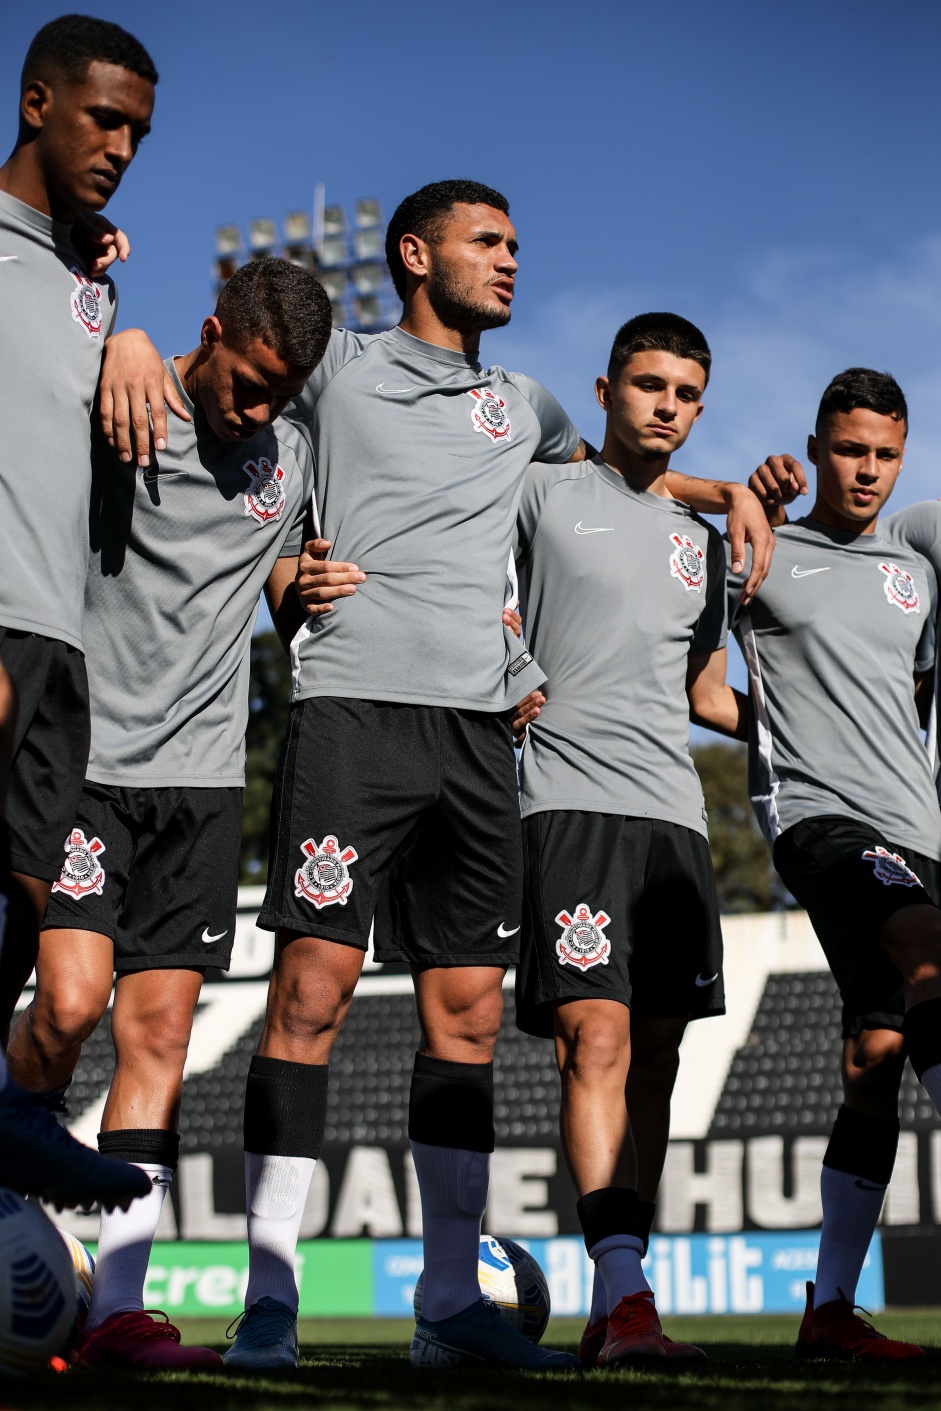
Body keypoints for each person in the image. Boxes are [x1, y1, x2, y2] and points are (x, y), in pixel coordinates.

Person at [100, 180, 775, 1371]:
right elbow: (227, 381)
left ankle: (448, 1305)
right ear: (414, 254)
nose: (510, 259)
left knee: (464, 1014)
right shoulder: (338, 364)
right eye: (486, 242)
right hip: (352, 710)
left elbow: (618, 472)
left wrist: (725, 497)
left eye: (516, 242)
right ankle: (269, 1298)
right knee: (308, 992)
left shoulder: (526, 404)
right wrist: (132, 332)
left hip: (479, 738)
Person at [6, 257, 331, 1368]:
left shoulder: (286, 460)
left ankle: (117, 1313)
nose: (256, 411)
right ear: (207, 334)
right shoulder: (125, 399)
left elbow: (280, 581)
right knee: (68, 1006)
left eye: (279, 395)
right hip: (89, 761)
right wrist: (121, 339)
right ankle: (11, 1128)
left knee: (157, 1038)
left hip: (201, 783)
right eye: (245, 383)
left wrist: (310, 590)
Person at [509, 314, 746, 1366]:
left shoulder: (704, 546)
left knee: (653, 1054)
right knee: (593, 1040)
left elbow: (704, 691)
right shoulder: (540, 492)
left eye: (685, 393)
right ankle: (624, 1292)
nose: (666, 406)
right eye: (647, 384)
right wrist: (506, 667)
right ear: (604, 390)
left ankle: (621, 1294)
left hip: (673, 820)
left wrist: (822, 716)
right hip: (566, 803)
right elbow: (475, 588)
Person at [729, 368, 938, 1360]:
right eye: (849, 450)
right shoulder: (760, 549)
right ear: (815, 448)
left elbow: (914, 697)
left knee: (875, 1055)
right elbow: (690, 675)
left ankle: (826, 1313)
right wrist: (780, 733)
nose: (865, 471)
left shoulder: (913, 571)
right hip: (820, 821)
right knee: (925, 952)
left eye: (884, 454)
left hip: (920, 831)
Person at [0, 12, 161, 1212]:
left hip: (61, 648)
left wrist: (129, 329)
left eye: (139, 133)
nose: (121, 146)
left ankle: (9, 1125)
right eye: (104, 118)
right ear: (36, 102)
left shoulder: (86, 285)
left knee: (28, 916)